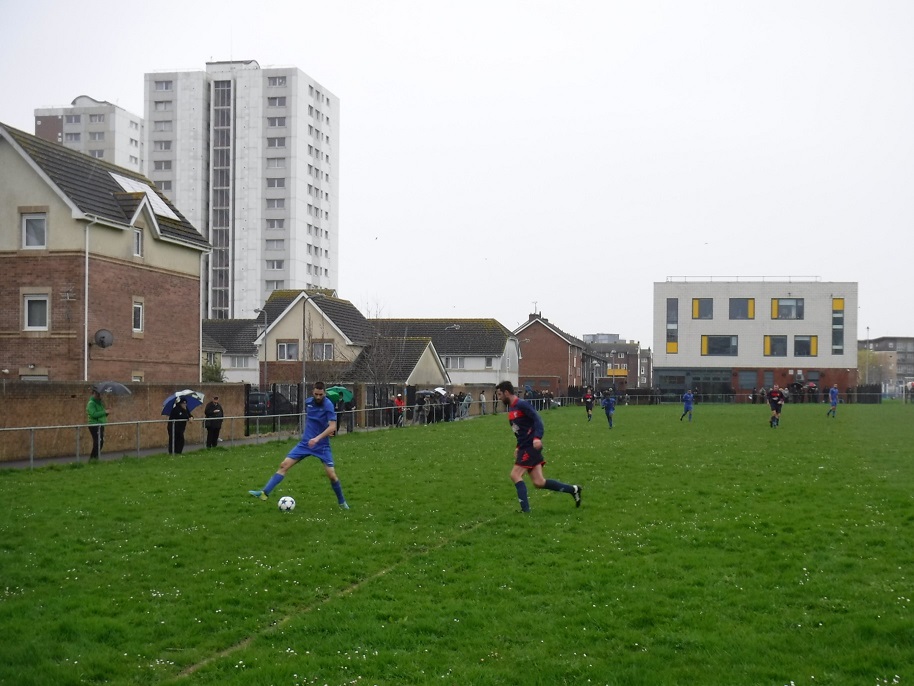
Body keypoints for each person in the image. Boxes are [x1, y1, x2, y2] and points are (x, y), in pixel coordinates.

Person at [249, 381, 349, 509]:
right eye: (316, 394)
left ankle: (342, 502)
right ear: (312, 392)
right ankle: (264, 493)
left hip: (321, 446)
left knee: (332, 476)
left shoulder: (328, 405)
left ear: (324, 393)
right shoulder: (308, 403)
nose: (318, 397)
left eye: (321, 395)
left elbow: (333, 427)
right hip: (305, 444)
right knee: (284, 465)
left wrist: (317, 438)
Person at [495, 380, 581, 513]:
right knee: (539, 482)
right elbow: (521, 430)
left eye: (500, 394)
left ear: (506, 392)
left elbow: (537, 419)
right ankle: (574, 490)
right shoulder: (512, 408)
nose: (499, 398)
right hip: (524, 446)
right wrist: (518, 446)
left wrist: (537, 438)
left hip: (530, 446)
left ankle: (525, 511)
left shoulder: (522, 404)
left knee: (515, 475)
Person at [86, 387, 109, 460]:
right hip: (94, 425)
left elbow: (102, 414)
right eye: (97, 394)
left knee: (100, 442)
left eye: (99, 394)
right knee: (98, 442)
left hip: (100, 424)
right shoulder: (91, 403)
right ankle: (93, 458)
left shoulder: (100, 403)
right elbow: (93, 414)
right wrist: (104, 412)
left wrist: (106, 413)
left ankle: (94, 458)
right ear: (93, 393)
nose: (98, 395)